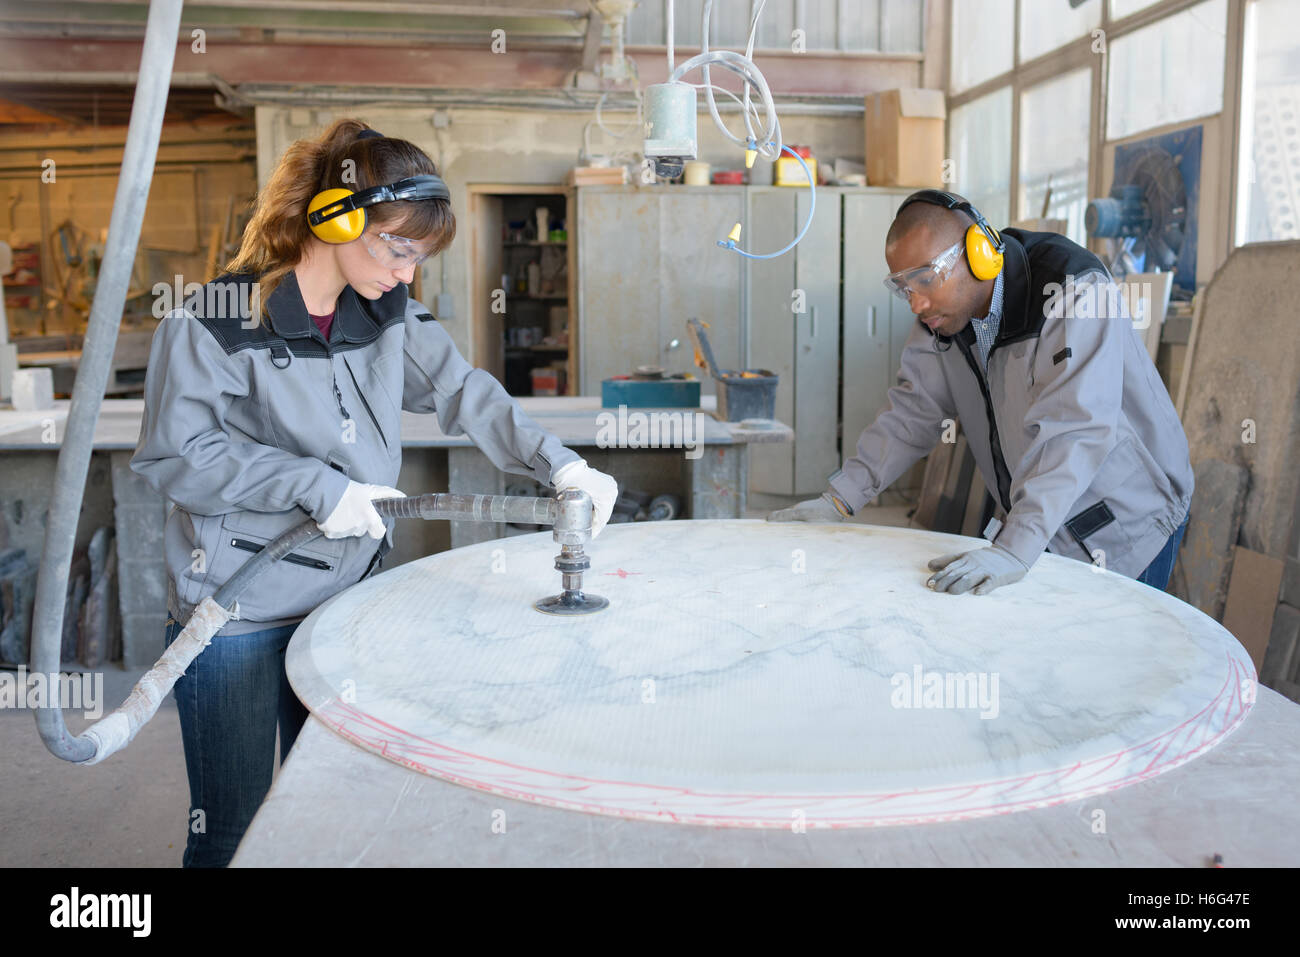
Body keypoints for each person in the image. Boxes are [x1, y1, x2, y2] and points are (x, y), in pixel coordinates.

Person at [130, 119, 617, 866]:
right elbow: (177, 456)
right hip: (236, 608)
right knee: (228, 829)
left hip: (344, 600)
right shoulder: (216, 320)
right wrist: (315, 487)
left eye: (420, 257)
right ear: (335, 218)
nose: (409, 272)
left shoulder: (385, 312)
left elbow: (464, 391)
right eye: (399, 247)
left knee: (328, 805)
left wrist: (561, 465)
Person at [769, 189, 1193, 596]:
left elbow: (1074, 430)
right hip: (1046, 521)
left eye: (924, 280)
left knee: (1111, 661)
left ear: (980, 252)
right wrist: (840, 498)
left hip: (1130, 520)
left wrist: (1014, 548)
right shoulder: (942, 320)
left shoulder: (1071, 289)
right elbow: (912, 414)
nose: (916, 304)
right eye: (904, 288)